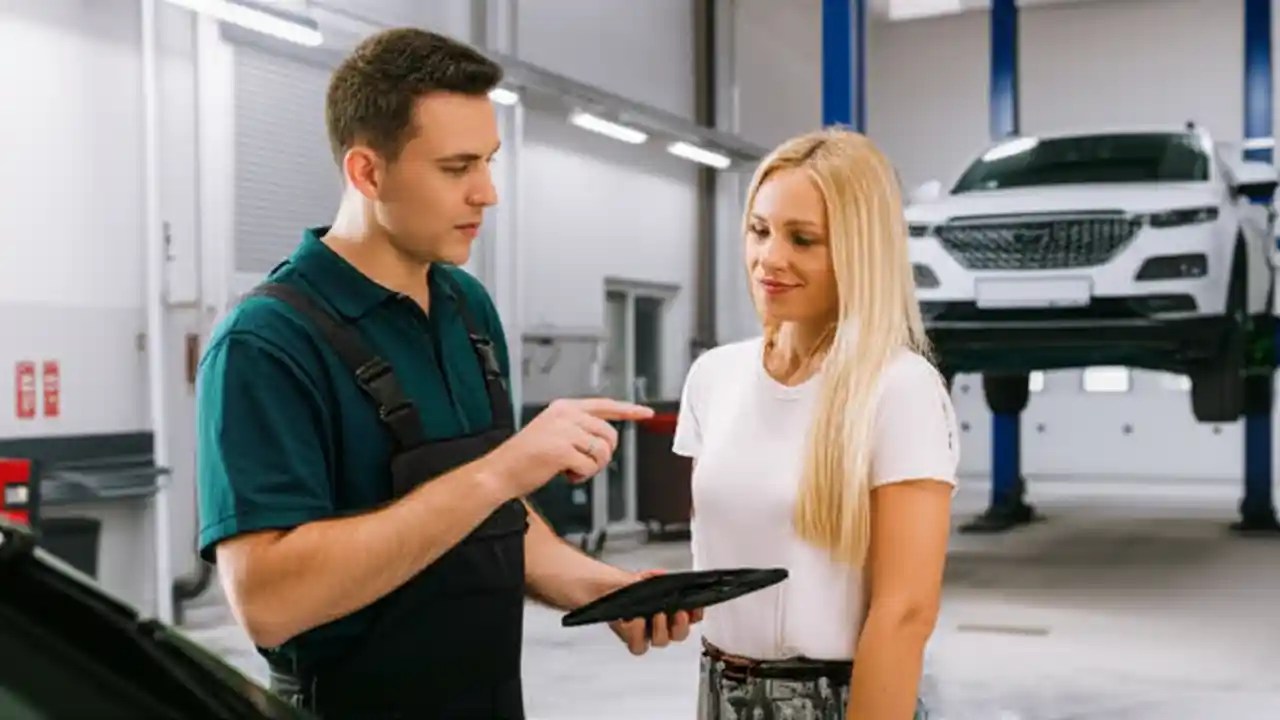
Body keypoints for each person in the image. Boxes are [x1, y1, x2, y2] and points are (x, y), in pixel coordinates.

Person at [194, 28, 699, 720]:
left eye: (489, 162)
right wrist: (503, 468)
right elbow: (268, 602)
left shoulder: (466, 308)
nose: (487, 193)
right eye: (457, 167)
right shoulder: (267, 343)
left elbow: (492, 518)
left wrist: (598, 585)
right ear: (367, 173)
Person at [674, 127, 959, 719]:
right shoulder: (713, 378)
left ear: (859, 252)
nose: (769, 259)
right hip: (720, 690)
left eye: (803, 240)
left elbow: (905, 612)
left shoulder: (899, 388)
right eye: (759, 230)